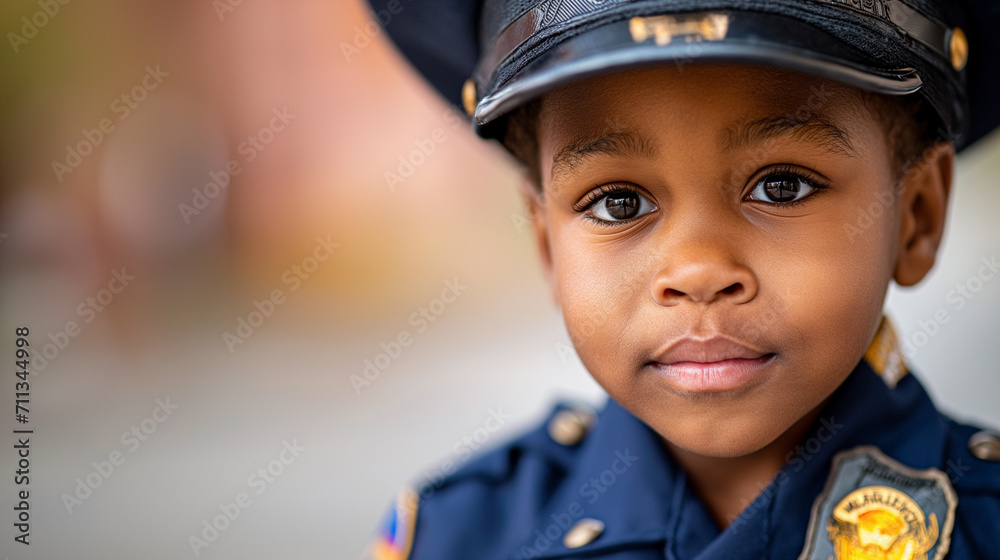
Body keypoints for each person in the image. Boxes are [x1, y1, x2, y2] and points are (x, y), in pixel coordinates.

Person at [362, 1, 1000, 558]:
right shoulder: (461, 539)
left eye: (781, 187)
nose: (697, 272)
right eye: (619, 203)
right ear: (547, 246)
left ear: (916, 216)